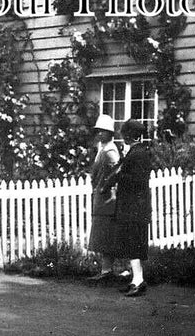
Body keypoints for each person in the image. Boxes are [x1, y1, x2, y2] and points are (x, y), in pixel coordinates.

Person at [101, 119, 152, 297]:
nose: (123, 138)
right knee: (132, 244)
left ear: (130, 136)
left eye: (125, 135)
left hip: (134, 207)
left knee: (134, 244)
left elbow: (136, 180)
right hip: (134, 206)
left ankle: (138, 281)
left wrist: (120, 176)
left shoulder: (138, 154)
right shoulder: (137, 152)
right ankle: (135, 280)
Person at [86, 114, 122, 283]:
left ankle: (107, 271)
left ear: (110, 133)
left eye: (104, 131)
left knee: (106, 236)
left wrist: (106, 185)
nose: (100, 133)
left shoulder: (110, 150)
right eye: (99, 131)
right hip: (101, 200)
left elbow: (118, 170)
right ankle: (106, 270)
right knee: (103, 236)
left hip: (108, 200)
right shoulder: (103, 148)